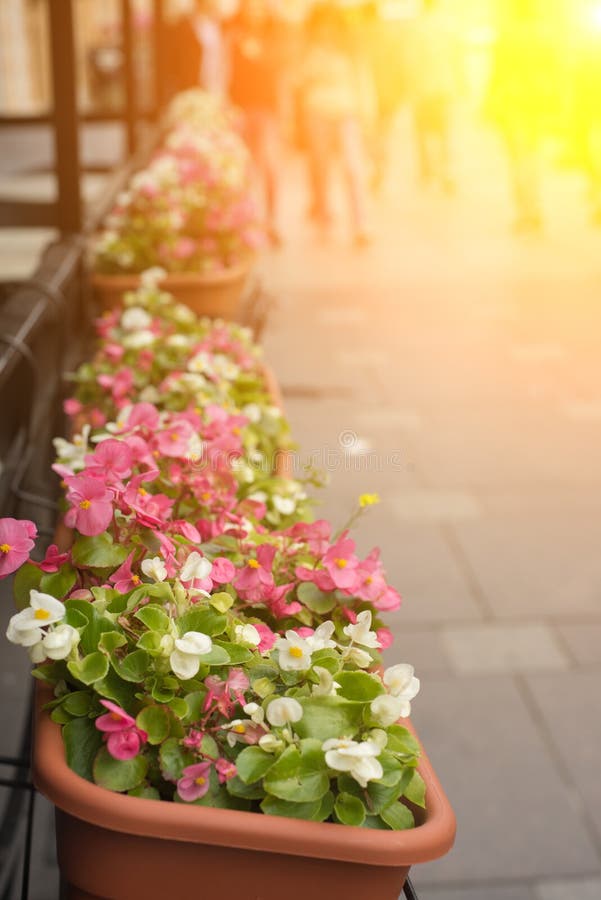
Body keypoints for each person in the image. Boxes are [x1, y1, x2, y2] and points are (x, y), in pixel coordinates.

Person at [296, 2, 374, 246]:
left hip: (346, 113)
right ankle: (323, 213)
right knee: (320, 168)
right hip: (317, 112)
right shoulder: (309, 51)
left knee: (353, 167)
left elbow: (364, 83)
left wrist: (368, 115)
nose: (327, 30)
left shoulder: (351, 51)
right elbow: (299, 80)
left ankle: (360, 223)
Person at [486, 0, 559, 233]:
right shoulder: (545, 34)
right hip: (537, 102)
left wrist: (488, 103)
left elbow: (497, 73)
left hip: (513, 103)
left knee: (517, 157)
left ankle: (524, 211)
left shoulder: (507, 36)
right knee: (533, 155)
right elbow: (554, 71)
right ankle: (535, 209)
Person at [227, 0, 283, 245]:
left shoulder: (274, 39)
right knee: (246, 166)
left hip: (267, 109)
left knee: (269, 164)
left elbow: (280, 77)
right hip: (241, 108)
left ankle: (271, 221)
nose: (256, 12)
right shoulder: (233, 36)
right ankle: (248, 221)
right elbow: (226, 73)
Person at [406, 0, 460, 194]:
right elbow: (456, 59)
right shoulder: (447, 25)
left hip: (422, 89)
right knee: (444, 132)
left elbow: (410, 61)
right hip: (443, 88)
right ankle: (446, 173)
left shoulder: (416, 28)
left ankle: (426, 169)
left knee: (423, 132)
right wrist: (461, 86)